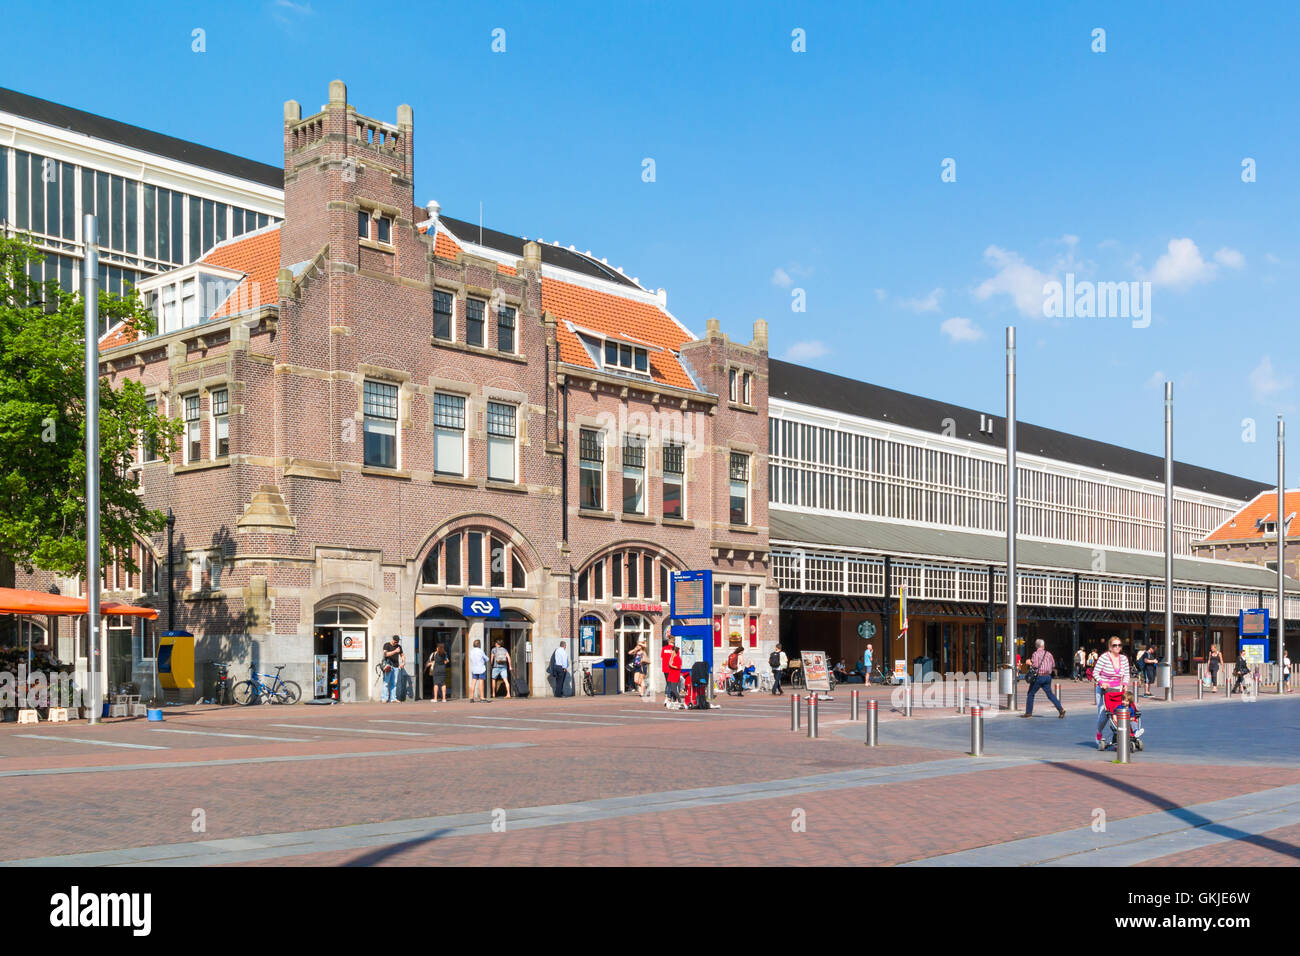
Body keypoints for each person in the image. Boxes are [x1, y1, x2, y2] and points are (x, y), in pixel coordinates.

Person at [1093, 636, 1131, 749]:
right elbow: (1095, 672)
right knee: (1104, 714)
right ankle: (1099, 733)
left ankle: (1116, 737)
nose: (1117, 647)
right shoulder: (1104, 657)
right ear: (1110, 647)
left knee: (1118, 712)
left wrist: (1125, 684)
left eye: (1119, 645)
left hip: (1118, 689)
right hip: (1105, 689)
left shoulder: (1123, 658)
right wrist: (1101, 682)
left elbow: (1126, 674)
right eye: (1115, 645)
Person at [1021, 638, 1065, 719]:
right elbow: (1053, 665)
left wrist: (1028, 662)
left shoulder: (1035, 654)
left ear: (1036, 646)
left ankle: (1028, 713)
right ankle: (1061, 709)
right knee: (1050, 694)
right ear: (1043, 646)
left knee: (1031, 694)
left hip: (1039, 677)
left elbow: (1035, 665)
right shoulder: (1049, 654)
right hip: (1048, 677)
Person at [380, 635, 404, 703]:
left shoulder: (399, 647)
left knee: (394, 683)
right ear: (392, 640)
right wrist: (395, 651)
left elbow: (402, 655)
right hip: (388, 666)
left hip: (396, 667)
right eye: (396, 642)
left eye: (398, 642)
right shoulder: (386, 645)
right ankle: (384, 698)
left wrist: (403, 662)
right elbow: (386, 654)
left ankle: (393, 698)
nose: (396, 643)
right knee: (386, 683)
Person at [662, 639, 682, 709]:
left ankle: (669, 698)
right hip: (671, 671)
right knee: (671, 685)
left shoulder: (664, 649)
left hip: (668, 670)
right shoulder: (674, 652)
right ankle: (671, 698)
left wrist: (671, 665)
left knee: (669, 685)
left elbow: (662, 657)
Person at [467, 638, 489, 703]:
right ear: (479, 645)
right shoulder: (480, 651)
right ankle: (482, 698)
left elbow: (470, 659)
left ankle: (471, 698)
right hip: (481, 668)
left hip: (474, 668)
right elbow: (486, 658)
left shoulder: (471, 651)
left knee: (473, 682)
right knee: (481, 683)